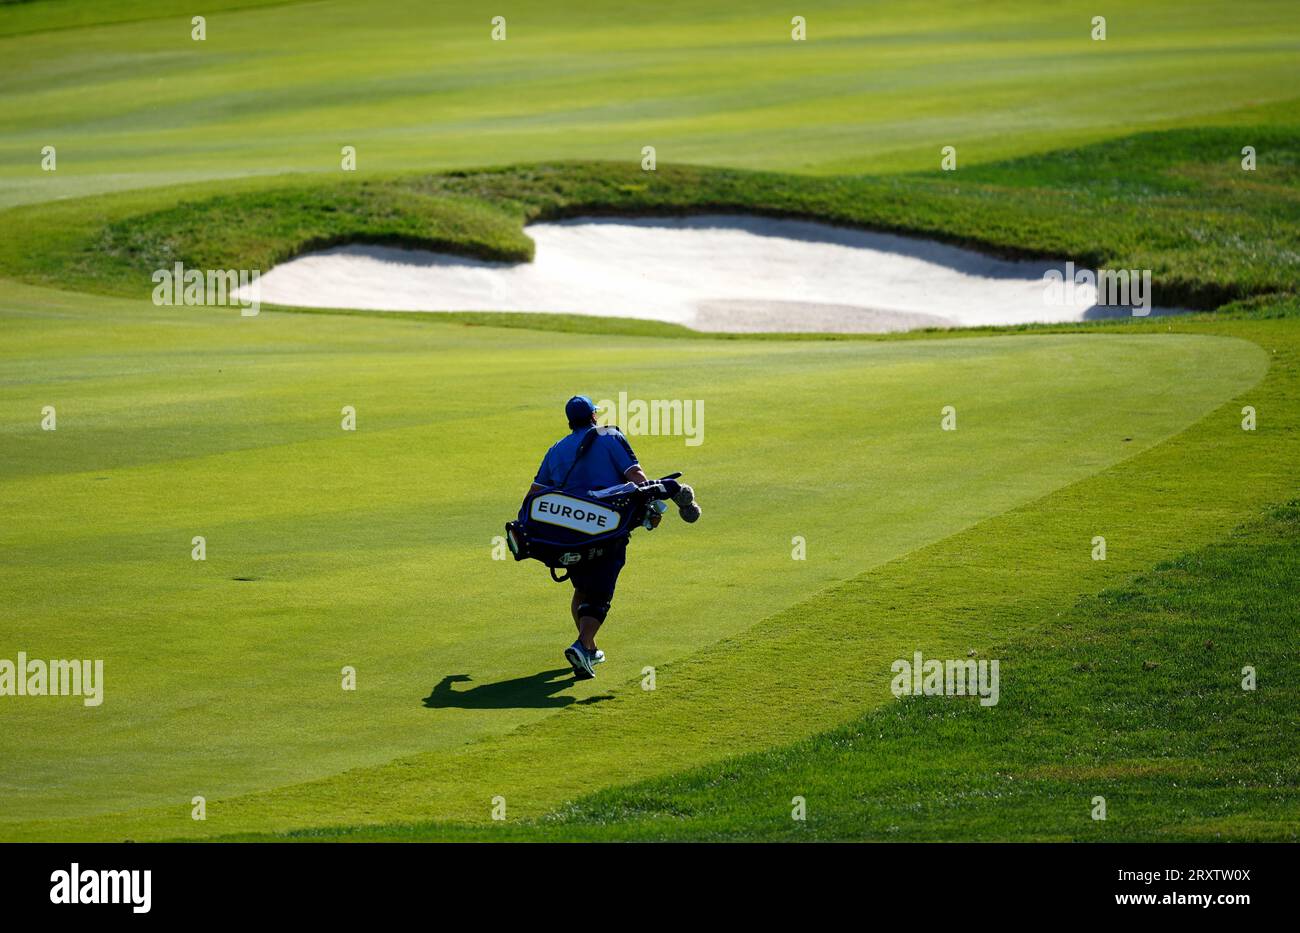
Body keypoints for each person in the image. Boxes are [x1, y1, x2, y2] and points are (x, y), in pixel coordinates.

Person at [527, 396, 649, 679]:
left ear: (570, 421)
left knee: (582, 589)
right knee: (600, 593)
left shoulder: (556, 449)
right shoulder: (610, 436)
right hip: (607, 530)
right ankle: (582, 645)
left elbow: (534, 496)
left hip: (570, 536)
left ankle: (589, 650)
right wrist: (652, 501)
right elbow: (636, 476)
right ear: (594, 416)